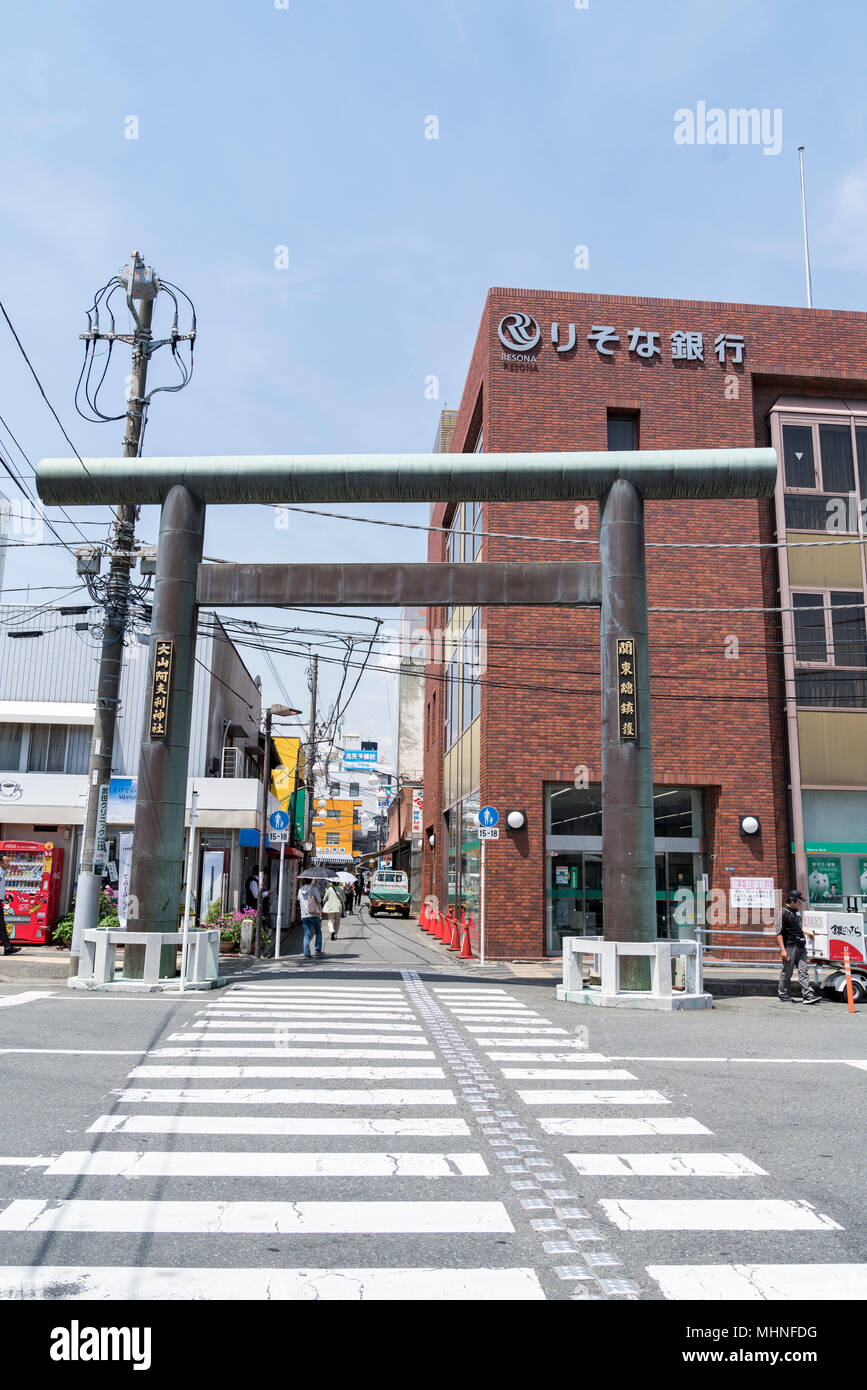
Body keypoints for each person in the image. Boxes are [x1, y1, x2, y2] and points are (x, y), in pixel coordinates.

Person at [777, 889, 819, 1004]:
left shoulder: (795, 912)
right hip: (789, 947)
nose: (800, 904)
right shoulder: (782, 913)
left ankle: (808, 995)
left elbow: (797, 928)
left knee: (803, 971)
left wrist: (807, 932)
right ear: (792, 900)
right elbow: (778, 933)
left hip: (800, 946)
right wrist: (783, 950)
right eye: (799, 902)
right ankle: (783, 994)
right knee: (787, 972)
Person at [0, 854, 21, 956]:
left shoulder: (2, 873)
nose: (9, 864)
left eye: (9, 861)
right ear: (1, 863)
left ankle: (8, 947)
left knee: (1, 925)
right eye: (7, 862)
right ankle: (7, 947)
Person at [298, 878, 323, 960]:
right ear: (311, 880)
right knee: (318, 931)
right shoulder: (314, 889)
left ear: (304, 881)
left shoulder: (300, 889)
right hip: (313, 914)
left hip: (304, 915)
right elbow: (319, 900)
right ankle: (317, 950)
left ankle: (306, 954)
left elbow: (298, 899)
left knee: (307, 935)